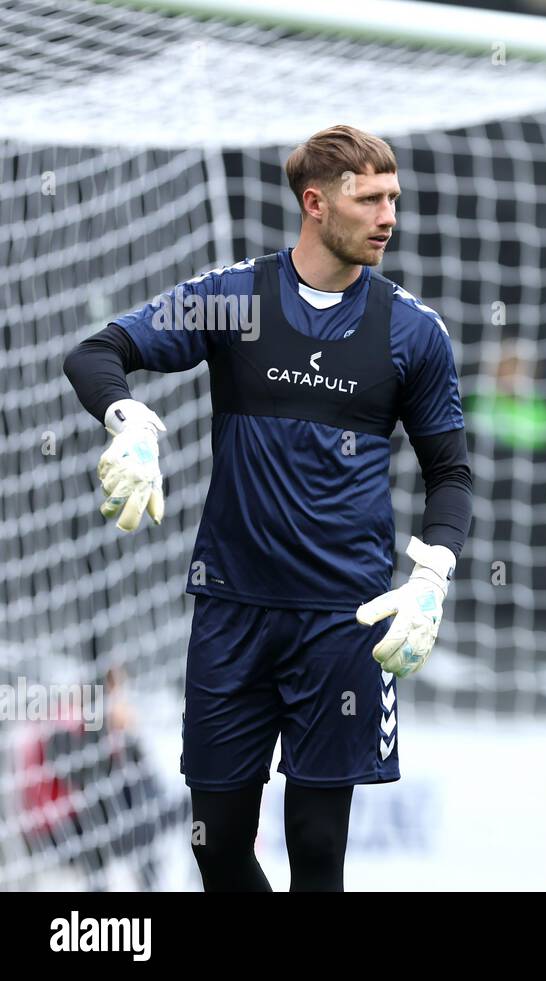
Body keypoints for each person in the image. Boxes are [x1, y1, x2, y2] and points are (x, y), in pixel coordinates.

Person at [64, 124, 473, 891]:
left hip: (343, 623)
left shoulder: (411, 331)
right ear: (315, 203)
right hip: (231, 610)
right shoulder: (236, 300)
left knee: (317, 852)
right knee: (215, 846)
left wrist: (432, 575)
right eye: (371, 198)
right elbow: (94, 353)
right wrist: (128, 419)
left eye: (395, 198)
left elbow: (450, 474)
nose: (390, 215)